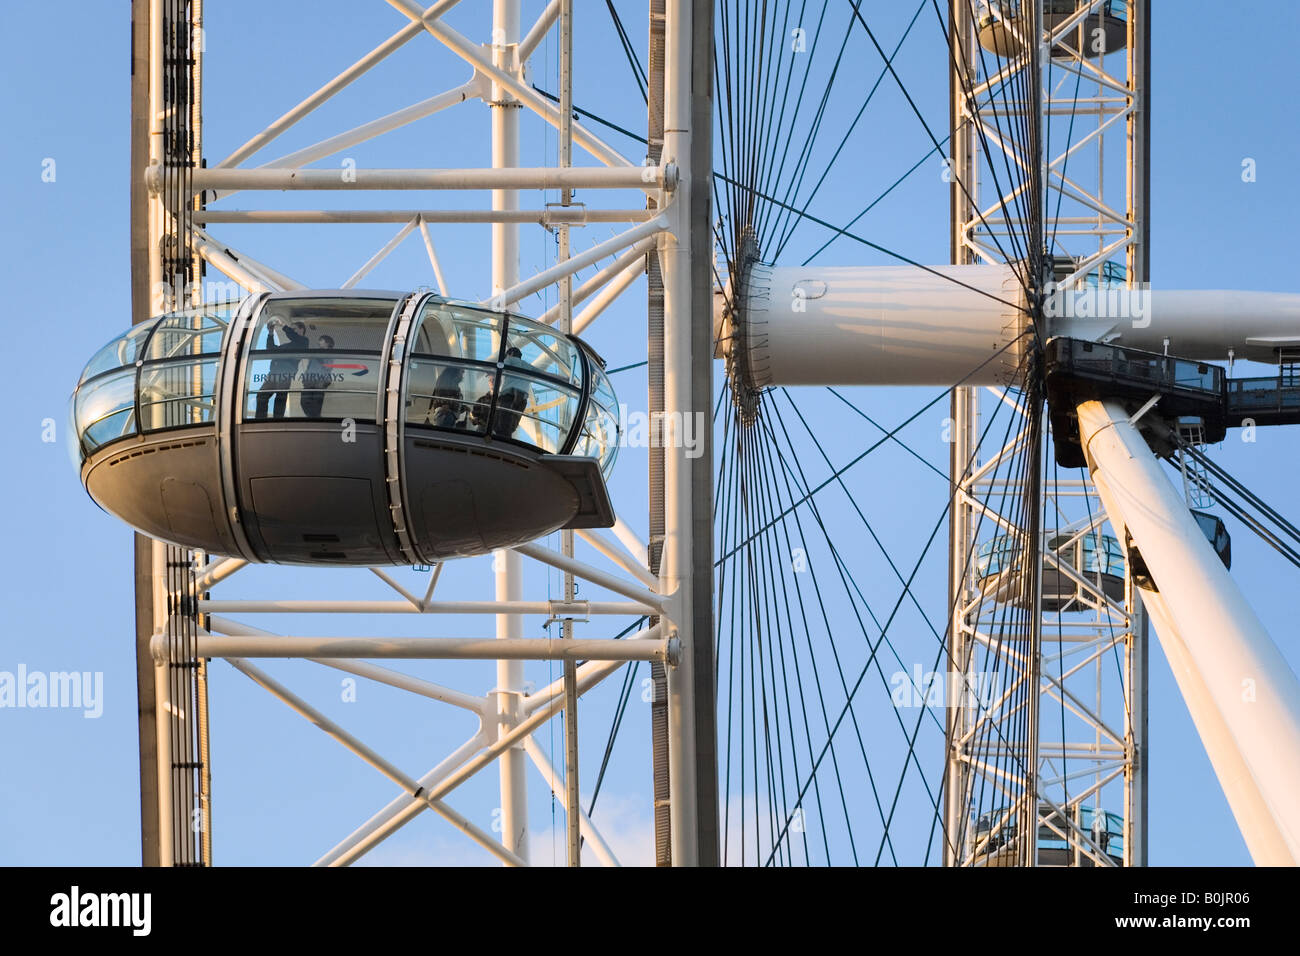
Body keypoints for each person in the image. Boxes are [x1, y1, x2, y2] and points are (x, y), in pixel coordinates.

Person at [255, 317, 308, 419]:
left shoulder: (304, 341)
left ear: (301, 329)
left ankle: (277, 420)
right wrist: (271, 333)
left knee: (280, 396)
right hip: (274, 372)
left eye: (294, 329)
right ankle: (260, 419)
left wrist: (282, 325)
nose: (292, 331)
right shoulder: (287, 345)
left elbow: (293, 336)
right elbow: (271, 349)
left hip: (285, 372)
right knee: (262, 395)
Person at [298, 334, 335, 418]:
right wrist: (306, 376)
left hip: (320, 381)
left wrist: (315, 355)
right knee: (304, 401)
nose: (319, 342)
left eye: (321, 340)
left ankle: (314, 418)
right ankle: (311, 417)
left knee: (316, 402)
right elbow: (309, 366)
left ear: (327, 343)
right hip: (310, 380)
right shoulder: (316, 353)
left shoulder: (331, 354)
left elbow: (327, 365)